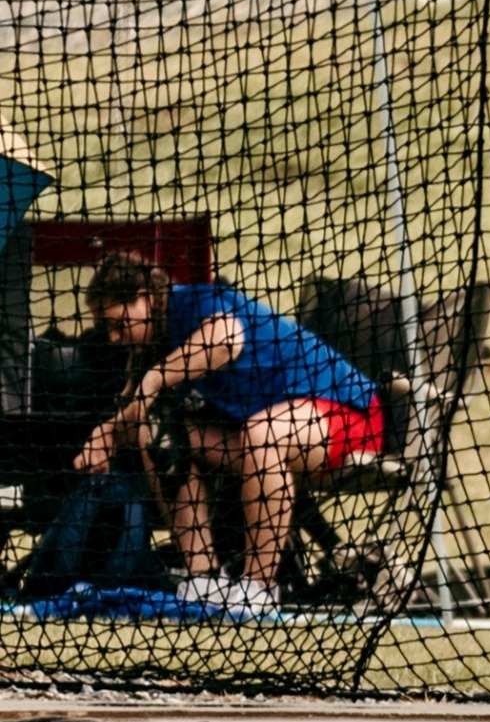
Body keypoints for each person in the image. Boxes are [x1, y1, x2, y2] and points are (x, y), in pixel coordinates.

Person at [71, 251, 383, 614]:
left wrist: (156, 377)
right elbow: (136, 412)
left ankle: (260, 590)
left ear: (143, 296)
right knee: (156, 433)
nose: (112, 338)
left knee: (262, 432)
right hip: (278, 435)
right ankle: (203, 580)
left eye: (118, 325)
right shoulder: (151, 343)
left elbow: (227, 340)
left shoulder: (193, 302)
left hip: (349, 416)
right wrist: (105, 433)